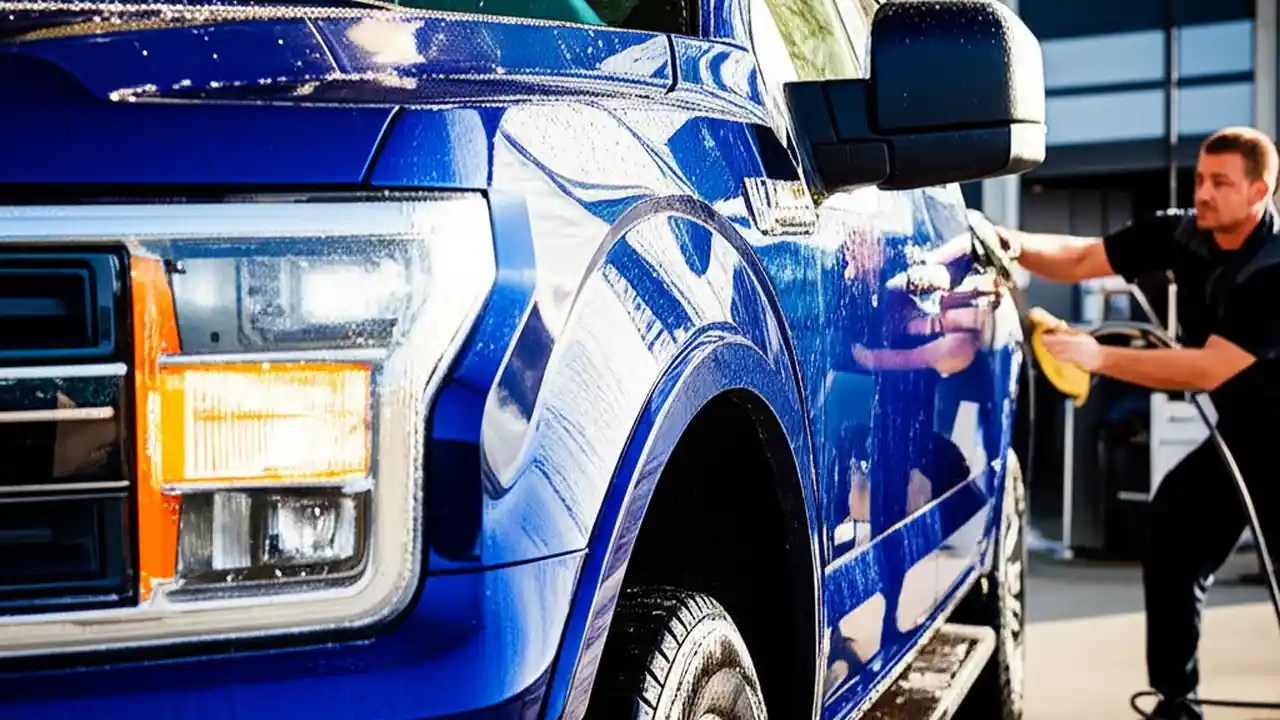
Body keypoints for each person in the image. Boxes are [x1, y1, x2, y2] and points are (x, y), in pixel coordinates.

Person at [989, 126, 1280, 720]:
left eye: (1220, 183)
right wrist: (1002, 240)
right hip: (1246, 436)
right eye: (1200, 178)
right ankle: (1177, 703)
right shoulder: (1183, 232)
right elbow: (1083, 257)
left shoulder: (1275, 270)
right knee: (1173, 528)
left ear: (1260, 191)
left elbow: (1207, 369)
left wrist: (1098, 357)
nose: (1203, 192)